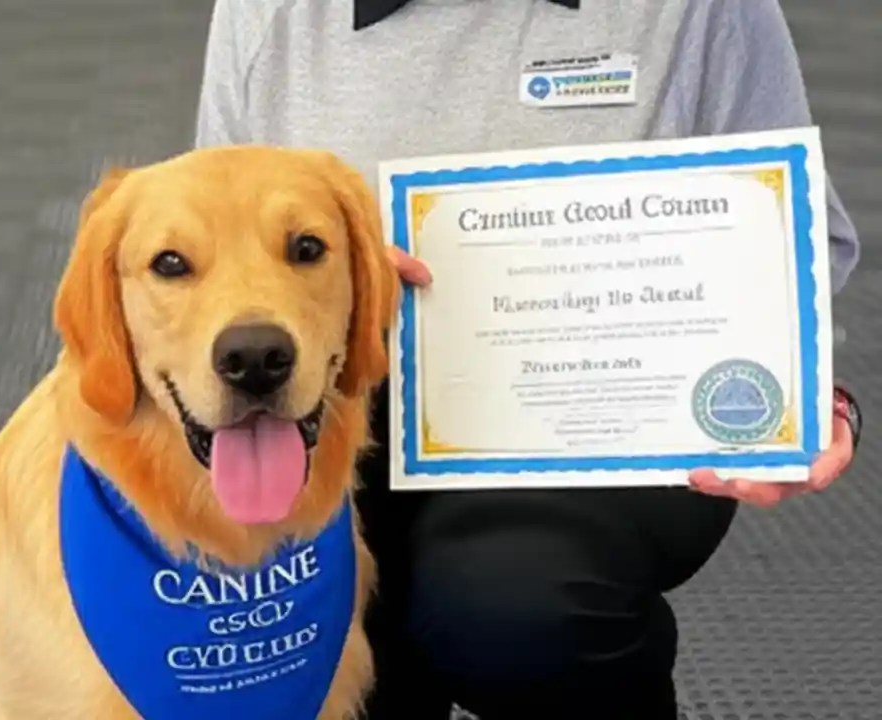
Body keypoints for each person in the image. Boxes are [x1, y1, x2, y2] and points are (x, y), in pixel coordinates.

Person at [192, 1, 864, 718]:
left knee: (512, 609)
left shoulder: (699, 10)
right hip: (353, 405)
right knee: (320, 631)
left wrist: (804, 383)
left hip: (612, 414)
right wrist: (329, 282)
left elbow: (796, 234)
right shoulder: (270, 12)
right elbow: (214, 241)